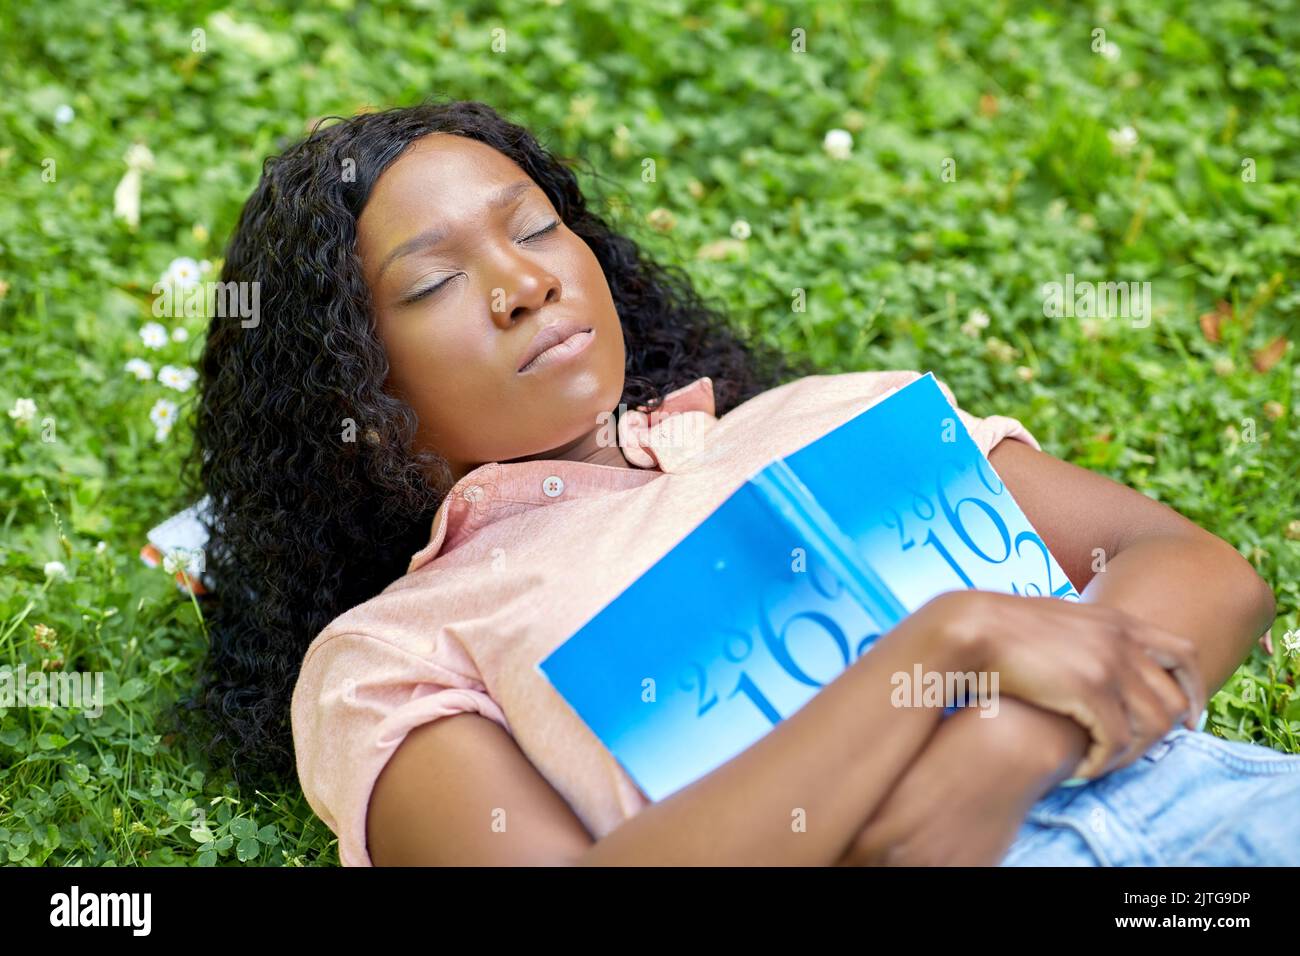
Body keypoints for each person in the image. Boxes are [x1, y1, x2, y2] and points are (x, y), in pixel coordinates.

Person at [180, 98, 1297, 867]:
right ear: (355, 396)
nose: (523, 281)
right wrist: (941, 643)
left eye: (535, 228)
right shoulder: (398, 649)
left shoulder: (835, 414)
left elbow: (1198, 573)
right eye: (432, 283)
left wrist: (1004, 745)